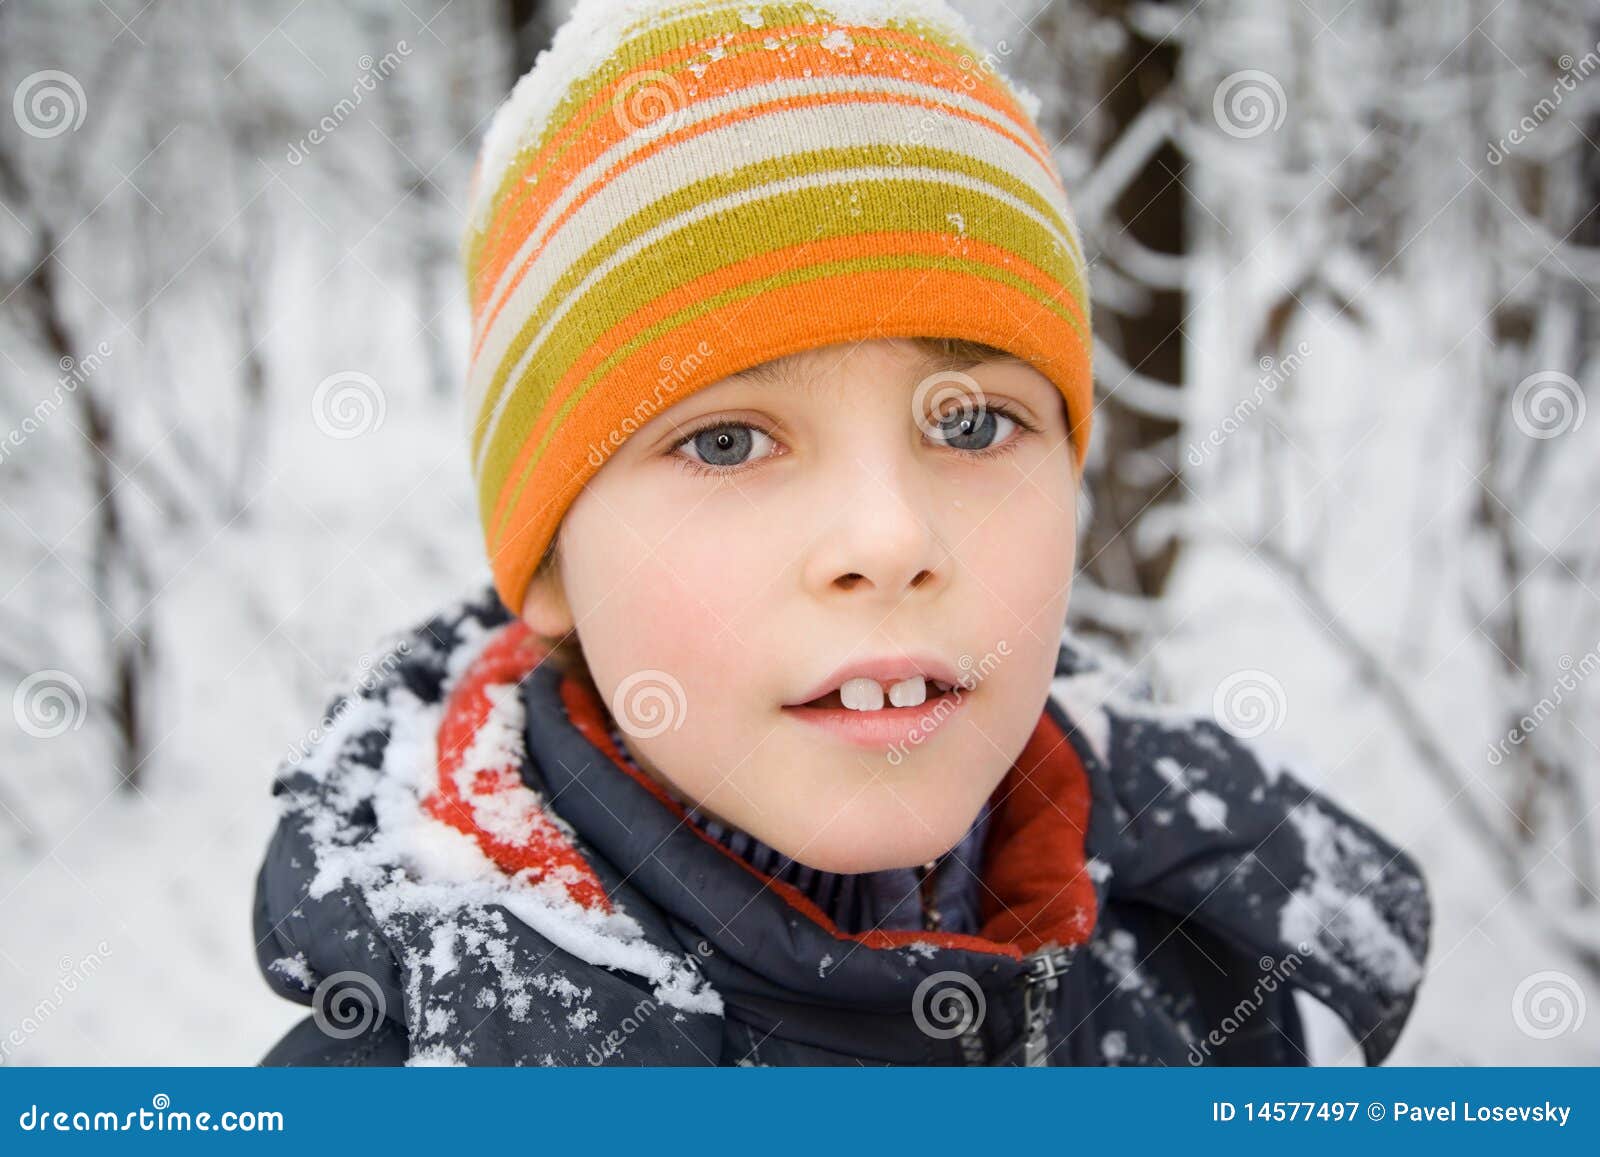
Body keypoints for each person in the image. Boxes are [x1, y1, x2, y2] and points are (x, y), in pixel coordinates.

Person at [252, 0, 1430, 1066]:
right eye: (725, 440)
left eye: (971, 421)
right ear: (551, 557)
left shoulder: (1196, 957)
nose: (889, 535)